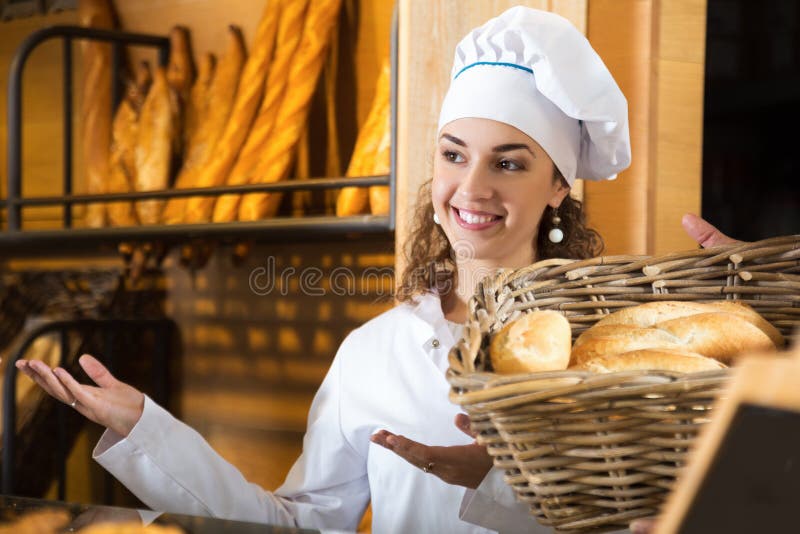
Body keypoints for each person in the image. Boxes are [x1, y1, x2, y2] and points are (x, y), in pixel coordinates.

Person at [16, 6, 737, 534]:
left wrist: (772, 346)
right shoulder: (374, 352)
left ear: (559, 187)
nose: (473, 188)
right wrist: (147, 429)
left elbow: (702, 507)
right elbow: (298, 525)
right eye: (454, 154)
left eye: (509, 162)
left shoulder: (615, 347)